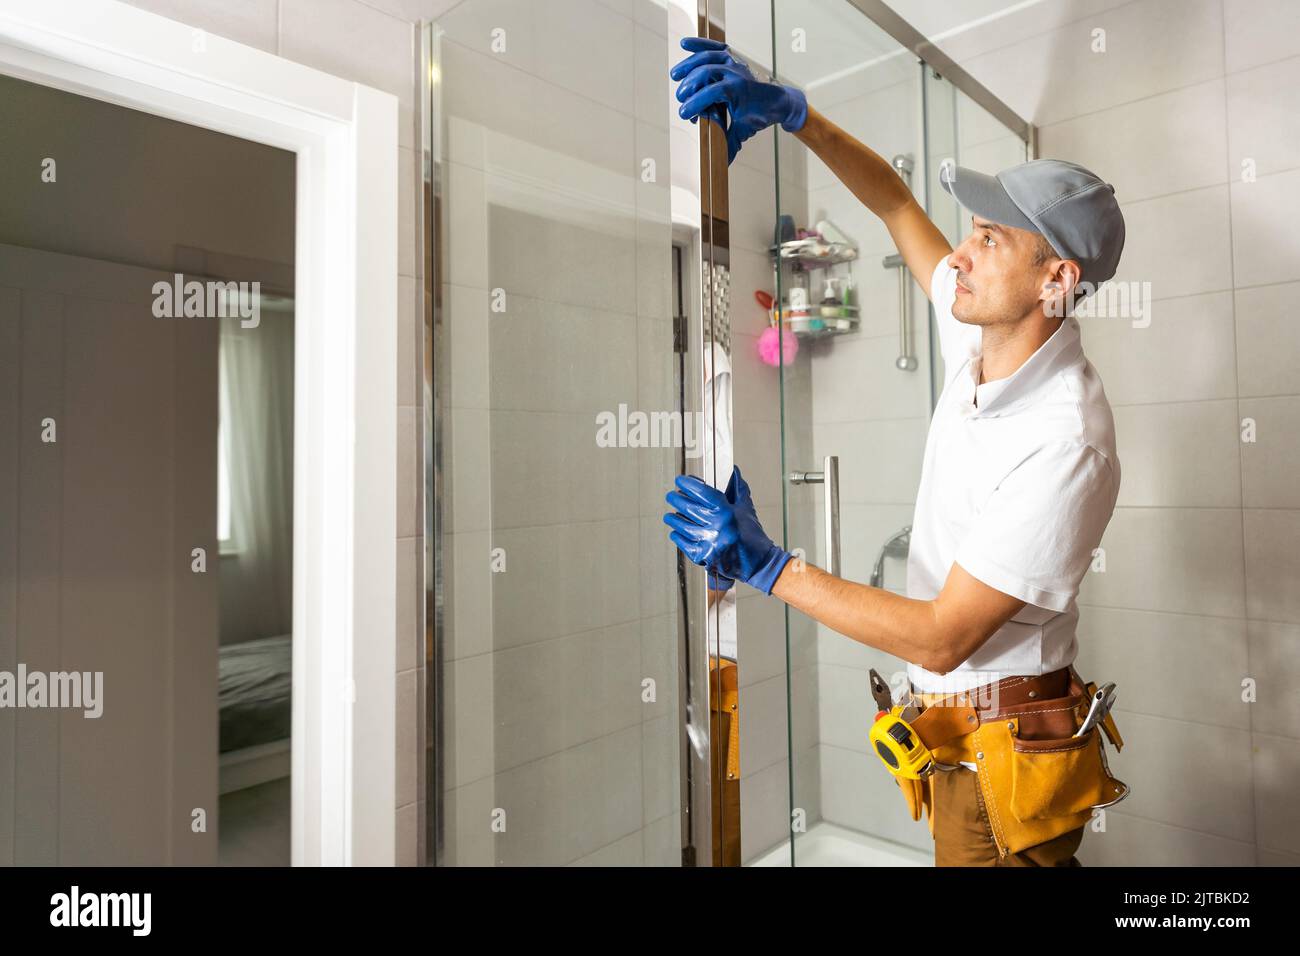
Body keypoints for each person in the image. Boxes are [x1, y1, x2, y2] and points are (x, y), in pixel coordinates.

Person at [663, 38, 1127, 866]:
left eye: (991, 239)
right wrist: (796, 113)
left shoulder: (1067, 440)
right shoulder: (983, 339)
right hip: (960, 745)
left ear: (1056, 279)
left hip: (1003, 771)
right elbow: (894, 205)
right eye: (974, 231)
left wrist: (772, 569)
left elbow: (945, 637)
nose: (960, 253)